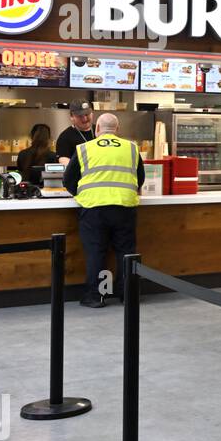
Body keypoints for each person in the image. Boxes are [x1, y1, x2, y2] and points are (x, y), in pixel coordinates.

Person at [64, 113, 145, 308]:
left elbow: (68, 180)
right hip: (124, 207)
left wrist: (82, 194)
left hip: (94, 208)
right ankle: (126, 295)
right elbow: (140, 178)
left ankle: (97, 296)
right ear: (117, 130)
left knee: (97, 252)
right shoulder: (132, 148)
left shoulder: (85, 148)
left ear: (97, 129)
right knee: (125, 252)